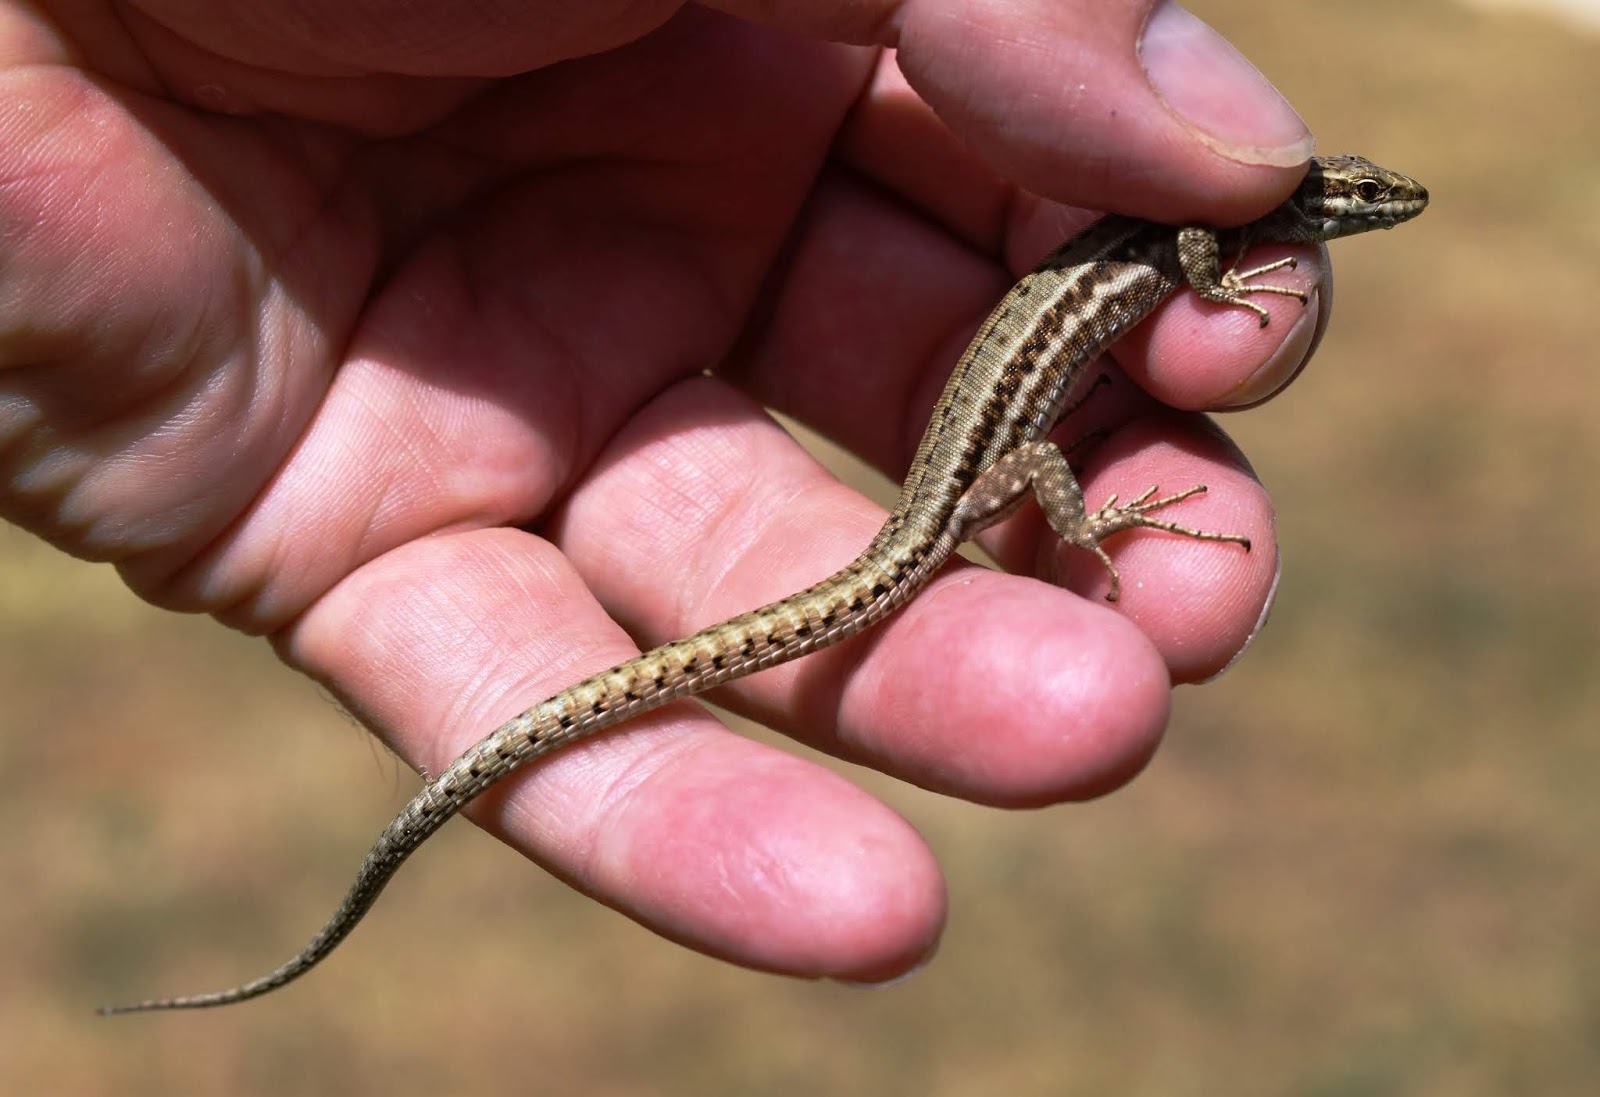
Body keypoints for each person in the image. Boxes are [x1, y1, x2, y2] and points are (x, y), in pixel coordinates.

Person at [0, 1, 1317, 984]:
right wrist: (1206, 284)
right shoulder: (1206, 225)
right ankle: (1099, 528)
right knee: (1058, 473)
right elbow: (1193, 249)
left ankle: (1092, 526)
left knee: (1036, 515)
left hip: (955, 476)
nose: (1359, 209)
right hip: (973, 469)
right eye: (1348, 204)